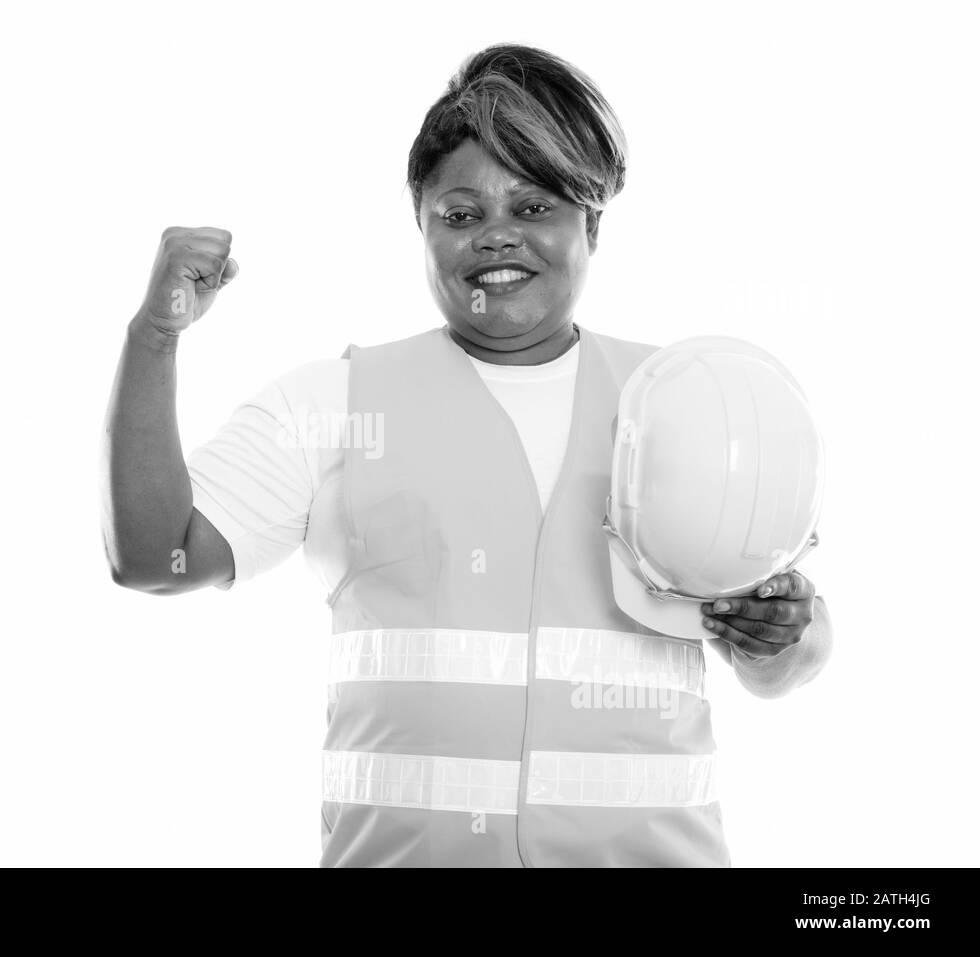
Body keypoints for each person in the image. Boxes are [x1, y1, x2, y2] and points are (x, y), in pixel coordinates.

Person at [101, 43, 834, 867]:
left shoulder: (682, 401)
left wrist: (786, 635)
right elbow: (155, 556)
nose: (496, 238)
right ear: (421, 226)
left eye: (534, 208)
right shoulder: (339, 402)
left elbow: (784, 661)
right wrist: (154, 337)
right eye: (460, 214)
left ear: (590, 224)